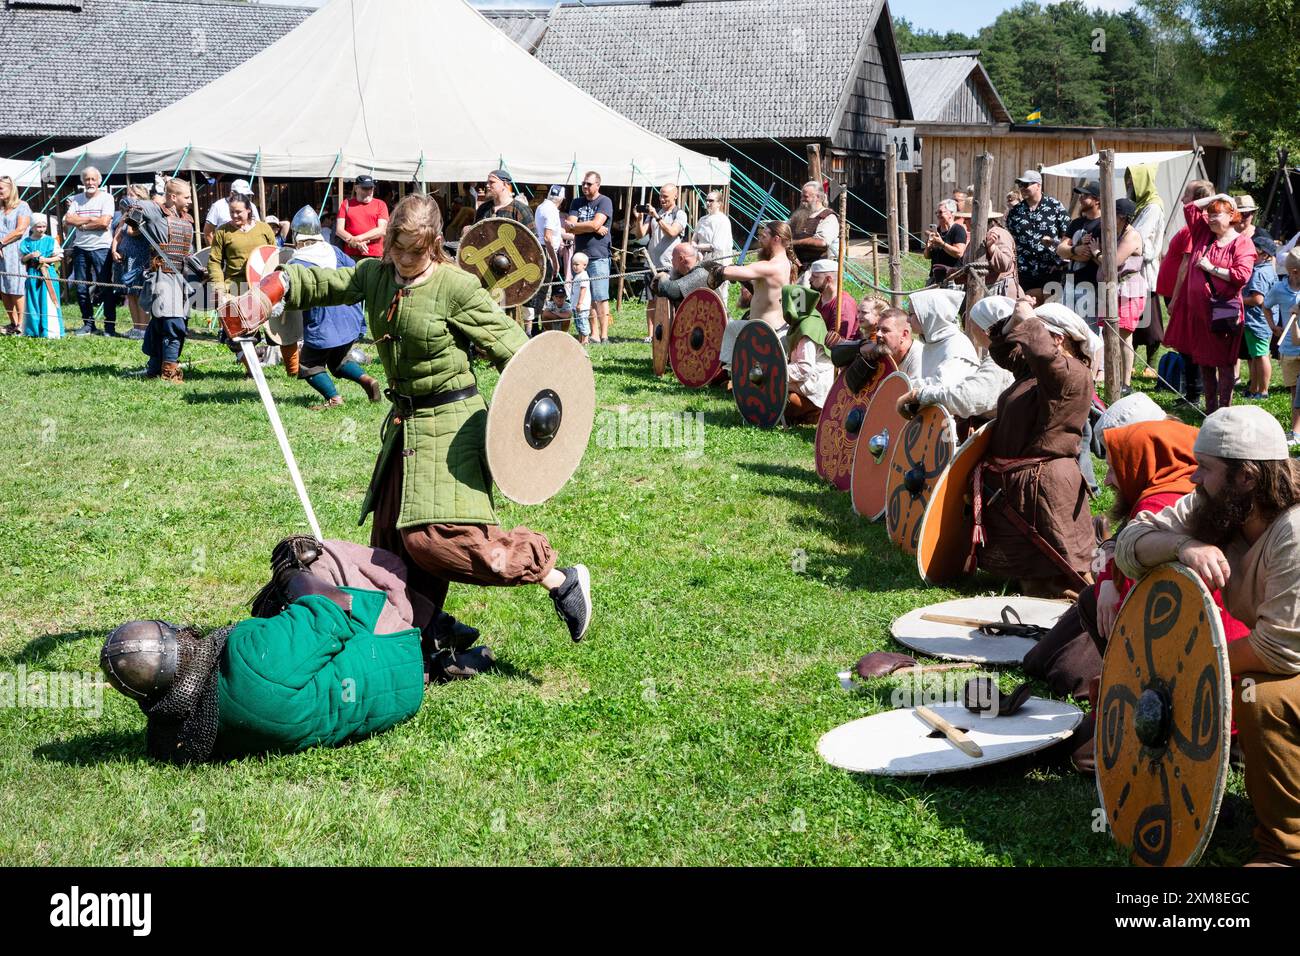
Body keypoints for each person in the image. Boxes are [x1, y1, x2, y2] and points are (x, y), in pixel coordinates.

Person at [226, 194, 593, 644]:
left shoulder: (456, 288)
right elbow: (323, 283)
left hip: (453, 426)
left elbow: (516, 353)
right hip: (404, 429)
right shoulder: (377, 276)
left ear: (435, 244)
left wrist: (544, 405)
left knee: (432, 540)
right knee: (391, 549)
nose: (401, 260)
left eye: (413, 251)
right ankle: (427, 632)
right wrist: (269, 292)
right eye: (395, 248)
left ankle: (558, 577)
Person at [96, 536, 494, 764]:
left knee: (321, 673)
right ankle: (432, 629)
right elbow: (335, 608)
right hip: (392, 655)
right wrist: (290, 575)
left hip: (394, 695)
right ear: (177, 645)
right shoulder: (250, 654)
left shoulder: (183, 735)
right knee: (343, 562)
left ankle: (437, 666)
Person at [1115, 405, 1300, 865]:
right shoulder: (1214, 508)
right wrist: (1183, 545)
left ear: (1248, 477)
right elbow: (1129, 545)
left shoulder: (1293, 531)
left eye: (1207, 469)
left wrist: (1189, 669)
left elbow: (1278, 651)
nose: (1194, 479)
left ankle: (1285, 848)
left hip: (1290, 657)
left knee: (1262, 697)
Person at [1024, 404, 1249, 772]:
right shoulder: (1182, 491)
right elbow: (1133, 542)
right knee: (1089, 602)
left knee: (1084, 753)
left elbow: (1145, 622)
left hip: (1204, 677)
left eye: (1115, 465)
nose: (1109, 479)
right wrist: (1112, 571)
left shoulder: (1165, 498)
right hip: (1212, 668)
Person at [974, 299, 1099, 598]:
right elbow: (1005, 351)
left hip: (1045, 483)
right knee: (1031, 573)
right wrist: (1014, 322)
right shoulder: (1035, 374)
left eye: (1036, 333)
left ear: (1058, 339)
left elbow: (1045, 357)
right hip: (1023, 481)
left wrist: (1028, 318)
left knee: (1062, 573)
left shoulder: (1071, 373)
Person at [1162, 192, 1255, 413]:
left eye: (1217, 215)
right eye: (1210, 215)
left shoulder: (1242, 244)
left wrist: (1211, 268)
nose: (1211, 219)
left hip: (1223, 311)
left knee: (1223, 364)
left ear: (1232, 216)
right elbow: (1190, 208)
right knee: (1203, 361)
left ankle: (1224, 410)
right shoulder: (1203, 234)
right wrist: (1220, 196)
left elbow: (1241, 275)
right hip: (1198, 313)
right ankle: (1209, 410)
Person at [282, 205, 382, 410]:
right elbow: (356, 275)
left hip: (324, 321)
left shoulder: (297, 262)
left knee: (309, 365)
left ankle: (334, 398)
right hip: (348, 316)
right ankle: (367, 380)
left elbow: (290, 291)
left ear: (297, 236)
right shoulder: (334, 250)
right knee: (338, 361)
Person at [901, 294, 1015, 430]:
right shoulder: (1002, 355)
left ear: (985, 329)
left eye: (911, 314)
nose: (908, 319)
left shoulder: (1002, 361)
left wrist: (918, 395)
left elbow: (967, 397)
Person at [127, 178, 196, 382]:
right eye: (187, 196)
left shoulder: (186, 220)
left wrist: (198, 271)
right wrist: (135, 211)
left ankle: (154, 368)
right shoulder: (157, 213)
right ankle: (169, 372)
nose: (190, 200)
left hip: (179, 277)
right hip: (162, 277)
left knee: (161, 324)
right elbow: (132, 205)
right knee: (173, 324)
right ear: (173, 197)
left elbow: (187, 253)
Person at [1155, 179, 1215, 404]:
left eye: (1187, 195)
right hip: (1178, 294)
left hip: (1184, 295)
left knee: (1190, 345)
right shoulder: (1190, 229)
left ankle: (1194, 393)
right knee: (1185, 345)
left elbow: (1185, 267)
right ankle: (1191, 393)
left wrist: (1176, 298)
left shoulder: (1195, 231)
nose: (1182, 199)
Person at [62, 167, 116, 336]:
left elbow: (104, 223)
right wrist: (91, 219)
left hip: (102, 248)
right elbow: (68, 219)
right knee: (80, 288)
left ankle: (109, 326)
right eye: (87, 179)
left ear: (99, 181)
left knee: (105, 287)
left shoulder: (107, 198)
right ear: (83, 181)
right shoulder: (77, 199)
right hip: (80, 248)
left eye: (93, 179)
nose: (90, 182)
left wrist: (82, 224)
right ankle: (88, 324)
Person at [1005, 169, 1072, 304]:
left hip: (1051, 269)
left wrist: (1058, 261)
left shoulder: (1055, 207)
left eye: (1026, 184)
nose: (1022, 188)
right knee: (1026, 308)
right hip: (1023, 271)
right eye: (1020, 185)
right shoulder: (1015, 212)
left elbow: (1068, 237)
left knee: (1051, 310)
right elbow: (1010, 240)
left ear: (1038, 185)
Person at [564, 171, 613, 344]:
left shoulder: (604, 201)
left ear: (597, 185)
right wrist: (592, 227)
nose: (585, 186)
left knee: (600, 296)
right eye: (584, 183)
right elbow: (568, 227)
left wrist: (589, 226)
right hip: (580, 256)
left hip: (598, 255)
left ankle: (605, 335)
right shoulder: (577, 202)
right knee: (586, 297)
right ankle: (594, 334)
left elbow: (595, 223)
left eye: (589, 184)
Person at [635, 183, 688, 341]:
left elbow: (672, 232)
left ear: (675, 196)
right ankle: (651, 335)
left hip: (669, 265)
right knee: (651, 301)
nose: (662, 199)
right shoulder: (656, 212)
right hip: (651, 264)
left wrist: (657, 217)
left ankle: (668, 331)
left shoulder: (680, 214)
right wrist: (639, 220)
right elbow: (640, 234)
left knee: (666, 300)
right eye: (661, 195)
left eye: (666, 196)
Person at [1126, 163, 1166, 367]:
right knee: (1133, 321)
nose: (1128, 184)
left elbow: (1137, 236)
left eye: (1132, 179)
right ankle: (1132, 361)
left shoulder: (1152, 207)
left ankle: (1151, 363)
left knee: (1150, 323)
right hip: (1133, 269)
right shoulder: (1140, 205)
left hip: (1144, 269)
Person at [781, 285, 835, 425]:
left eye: (784, 301)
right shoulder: (805, 321)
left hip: (815, 386)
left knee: (774, 393)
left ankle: (812, 412)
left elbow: (805, 369)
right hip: (806, 381)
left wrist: (778, 372)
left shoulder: (807, 328)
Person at [1055, 180, 1103, 332]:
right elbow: (1060, 249)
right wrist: (1076, 250)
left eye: (1086, 195)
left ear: (1097, 200)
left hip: (1090, 286)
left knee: (1088, 331)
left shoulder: (1103, 225)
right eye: (1081, 195)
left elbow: (1087, 256)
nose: (1081, 198)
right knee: (1066, 328)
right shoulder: (1076, 223)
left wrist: (1071, 252)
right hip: (1069, 283)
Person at [1111, 197, 1148, 390]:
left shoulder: (1132, 235)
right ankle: (1115, 378)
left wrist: (1096, 252)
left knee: (1124, 335)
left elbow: (1114, 261)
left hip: (1130, 290)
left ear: (1123, 216)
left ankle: (1125, 382)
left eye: (1114, 212)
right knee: (1112, 333)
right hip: (1117, 288)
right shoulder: (1117, 232)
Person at [1263, 249, 1300, 443]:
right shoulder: (1279, 289)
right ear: (1294, 272)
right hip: (1288, 348)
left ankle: (1296, 432)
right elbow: (1266, 306)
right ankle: (1296, 431)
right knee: (1295, 392)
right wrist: (1272, 326)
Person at [112, 184, 152, 340]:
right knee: (131, 293)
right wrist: (114, 250)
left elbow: (131, 231)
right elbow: (118, 233)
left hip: (140, 258)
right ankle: (136, 328)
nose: (128, 197)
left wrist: (132, 214)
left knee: (140, 293)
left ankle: (144, 329)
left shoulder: (143, 213)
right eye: (128, 194)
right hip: (125, 258)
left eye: (133, 194)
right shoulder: (124, 214)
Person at [1242, 233, 1278, 400]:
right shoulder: (1265, 269)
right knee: (1255, 355)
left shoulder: (1260, 274)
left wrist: (1238, 300)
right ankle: (1254, 387)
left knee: (1261, 355)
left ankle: (1263, 391)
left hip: (1258, 321)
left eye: (1253, 251)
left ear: (1265, 255)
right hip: (1256, 321)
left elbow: (1257, 299)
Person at [18, 213, 62, 338]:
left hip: (48, 273)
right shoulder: (26, 242)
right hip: (33, 274)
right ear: (32, 227)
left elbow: (58, 256)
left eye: (44, 226)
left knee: (48, 301)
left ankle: (50, 332)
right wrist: (31, 256)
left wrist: (44, 260)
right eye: (38, 227)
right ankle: (33, 331)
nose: (41, 229)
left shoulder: (50, 240)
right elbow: (22, 260)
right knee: (33, 301)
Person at [0, 175, 32, 336]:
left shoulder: (22, 206)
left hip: (15, 251)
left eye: (1, 188)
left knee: (16, 286)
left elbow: (20, 230)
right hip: (1, 253)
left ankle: (22, 323)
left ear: (11, 189)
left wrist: (1, 242)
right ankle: (12, 323)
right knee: (3, 288)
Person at [787, 181, 838, 278]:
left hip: (813, 272)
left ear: (818, 197)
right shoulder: (798, 216)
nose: (802, 200)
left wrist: (793, 242)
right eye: (801, 196)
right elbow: (784, 230)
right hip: (793, 268)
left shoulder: (828, 217)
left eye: (805, 197)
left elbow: (822, 242)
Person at [336, 175, 389, 260]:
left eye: (371, 188)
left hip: (375, 254)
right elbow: (339, 230)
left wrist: (358, 239)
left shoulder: (380, 204)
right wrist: (356, 243)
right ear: (356, 188)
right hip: (351, 254)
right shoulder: (346, 204)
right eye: (365, 188)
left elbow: (381, 230)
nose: (368, 191)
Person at [693, 190, 734, 299]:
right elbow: (694, 239)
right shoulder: (702, 219)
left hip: (718, 262)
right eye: (706, 200)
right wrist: (696, 251)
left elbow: (716, 246)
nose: (707, 203)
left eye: (711, 200)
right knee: (704, 294)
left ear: (719, 203)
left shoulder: (723, 220)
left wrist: (697, 247)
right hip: (702, 261)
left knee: (719, 296)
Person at [807, 259, 857, 338]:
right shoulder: (817, 299)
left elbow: (837, 339)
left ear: (828, 279)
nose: (810, 279)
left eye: (814, 277)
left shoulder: (844, 304)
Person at [923, 199, 968, 284]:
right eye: (937, 212)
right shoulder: (937, 232)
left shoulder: (958, 230)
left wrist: (942, 244)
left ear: (951, 213)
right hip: (934, 278)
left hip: (951, 279)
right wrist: (928, 248)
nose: (938, 215)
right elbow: (926, 256)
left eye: (940, 212)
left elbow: (959, 253)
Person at [203, 179, 260, 244]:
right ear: (232, 193)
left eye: (247, 195)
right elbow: (208, 231)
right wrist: (214, 250)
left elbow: (258, 227)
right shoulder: (218, 206)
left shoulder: (252, 206)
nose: (244, 198)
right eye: (241, 195)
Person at [569, 251, 592, 346]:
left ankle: (585, 340)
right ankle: (580, 339)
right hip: (575, 305)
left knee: (583, 321)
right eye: (573, 264)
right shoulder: (577, 276)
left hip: (582, 305)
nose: (574, 266)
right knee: (578, 323)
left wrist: (580, 303)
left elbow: (583, 290)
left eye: (577, 264)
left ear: (584, 265)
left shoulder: (584, 275)